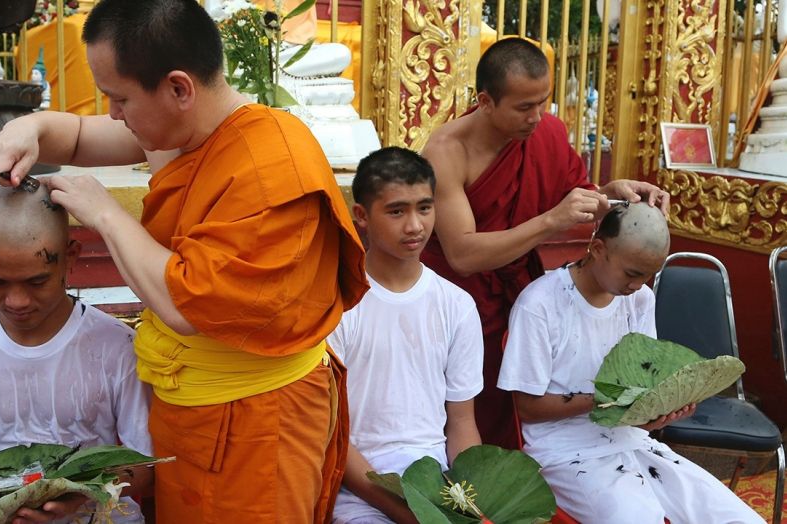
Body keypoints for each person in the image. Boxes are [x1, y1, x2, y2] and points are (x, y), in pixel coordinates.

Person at [0, 0, 369, 522]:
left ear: (179, 88)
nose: (113, 113)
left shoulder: (270, 163)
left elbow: (187, 306)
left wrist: (107, 216)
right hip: (188, 414)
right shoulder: (175, 133)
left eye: (120, 98)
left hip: (259, 419)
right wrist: (26, 129)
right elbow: (75, 135)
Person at [420, 37, 670, 449]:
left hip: (516, 294)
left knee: (517, 425)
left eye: (544, 102)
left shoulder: (547, 132)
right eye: (523, 107)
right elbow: (463, 255)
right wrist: (551, 221)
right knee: (464, 419)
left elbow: (573, 196)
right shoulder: (447, 151)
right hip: (461, 305)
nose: (537, 117)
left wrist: (611, 191)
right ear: (485, 101)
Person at [0, 185, 153, 524]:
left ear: (71, 257)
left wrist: (85, 493)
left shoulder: (118, 346)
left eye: (36, 282)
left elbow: (149, 465)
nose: (16, 301)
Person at [497, 202, 764, 523]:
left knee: (736, 518)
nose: (638, 285)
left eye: (649, 275)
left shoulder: (639, 300)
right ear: (598, 248)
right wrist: (603, 400)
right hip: (563, 451)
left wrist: (657, 413)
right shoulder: (539, 303)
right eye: (632, 273)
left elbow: (638, 393)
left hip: (632, 442)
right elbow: (527, 407)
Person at [327, 147, 483, 524]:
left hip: (436, 482)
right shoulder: (337, 305)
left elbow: (461, 423)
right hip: (358, 491)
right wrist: (403, 509)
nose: (415, 226)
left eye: (425, 208)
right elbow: (331, 436)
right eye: (397, 211)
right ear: (361, 215)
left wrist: (470, 498)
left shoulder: (456, 305)